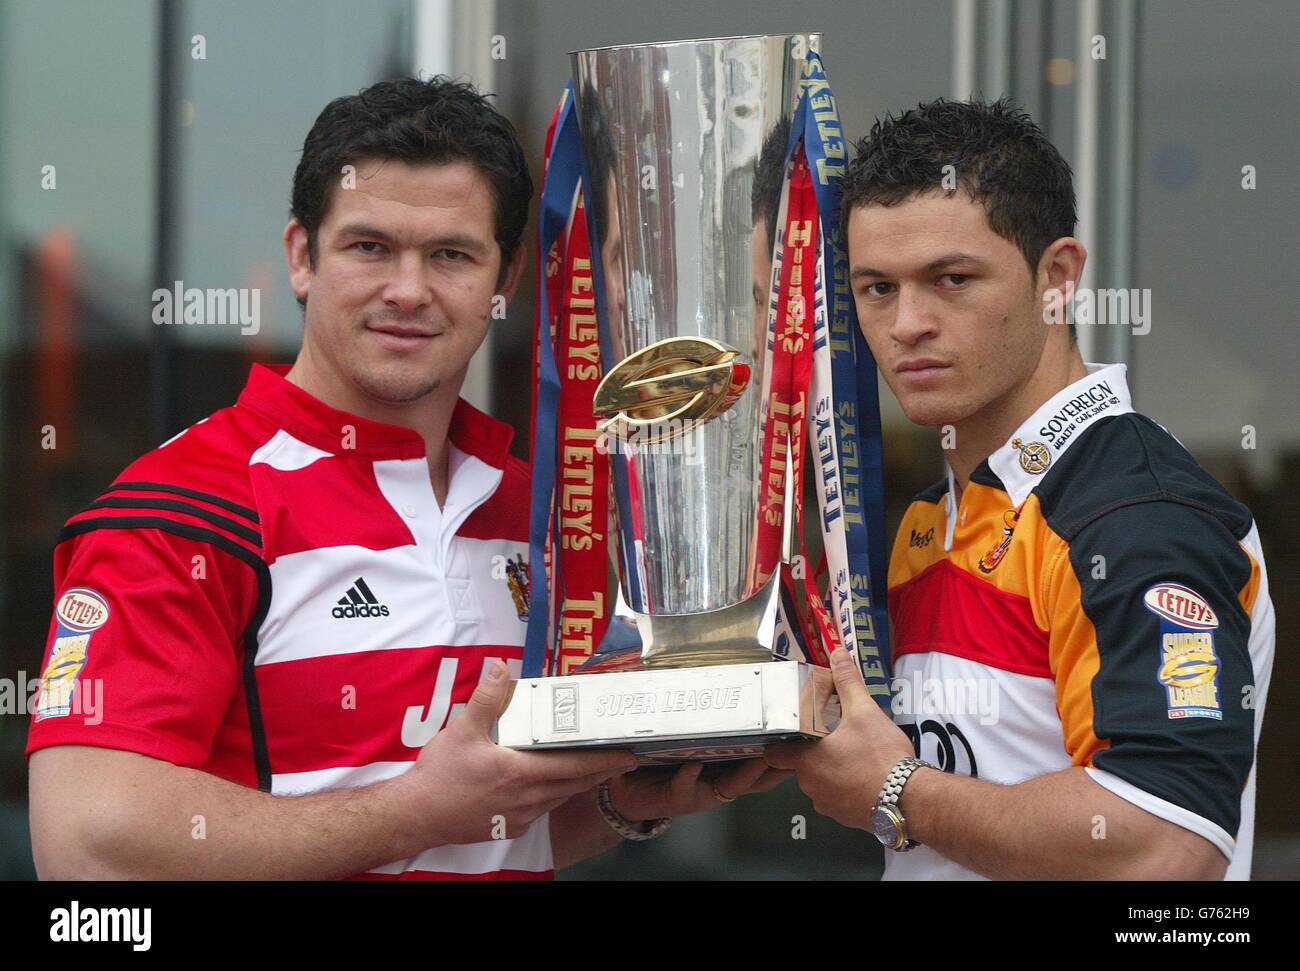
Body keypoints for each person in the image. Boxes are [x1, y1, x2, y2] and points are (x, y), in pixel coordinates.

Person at [27, 76, 786, 880]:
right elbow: (85, 846)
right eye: (369, 246)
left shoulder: (545, 512)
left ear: (505, 281)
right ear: (300, 257)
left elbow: (481, 830)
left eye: (451, 255)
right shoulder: (184, 512)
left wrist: (619, 804)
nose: (408, 289)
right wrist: (416, 808)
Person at [767, 99, 1274, 880]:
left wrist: (896, 789)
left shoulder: (1138, 512)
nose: (908, 324)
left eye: (952, 279)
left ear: (1057, 277)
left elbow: (1163, 844)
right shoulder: (929, 521)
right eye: (877, 288)